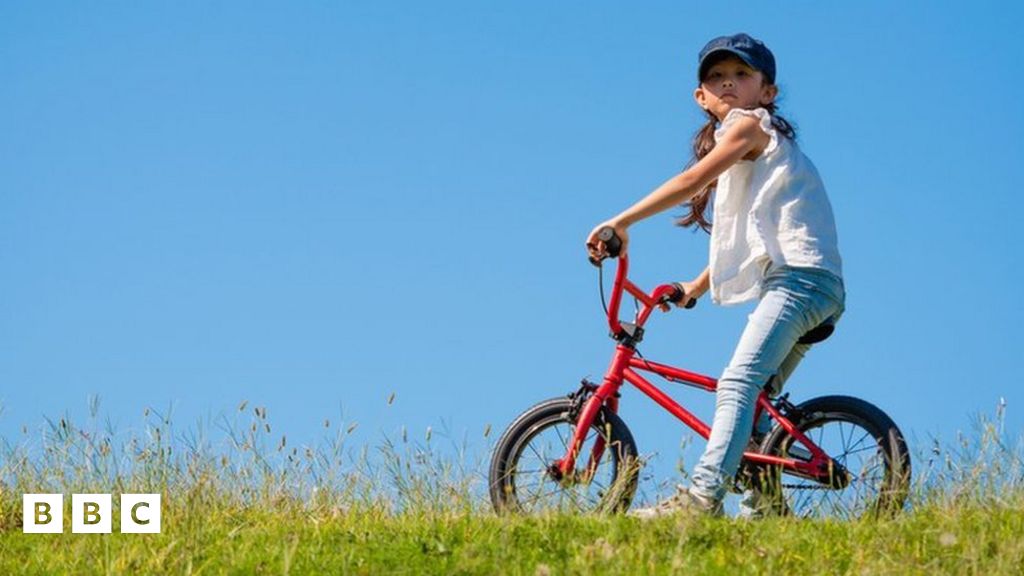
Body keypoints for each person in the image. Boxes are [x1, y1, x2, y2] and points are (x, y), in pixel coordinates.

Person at [585, 33, 846, 518]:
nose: (728, 83)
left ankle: (702, 499)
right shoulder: (755, 153)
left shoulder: (750, 127)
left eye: (742, 75)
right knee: (756, 404)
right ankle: (767, 511)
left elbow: (691, 181)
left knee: (736, 384)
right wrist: (695, 287)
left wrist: (621, 221)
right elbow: (750, 234)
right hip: (812, 284)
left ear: (767, 92)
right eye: (716, 77)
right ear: (700, 97)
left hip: (800, 282)